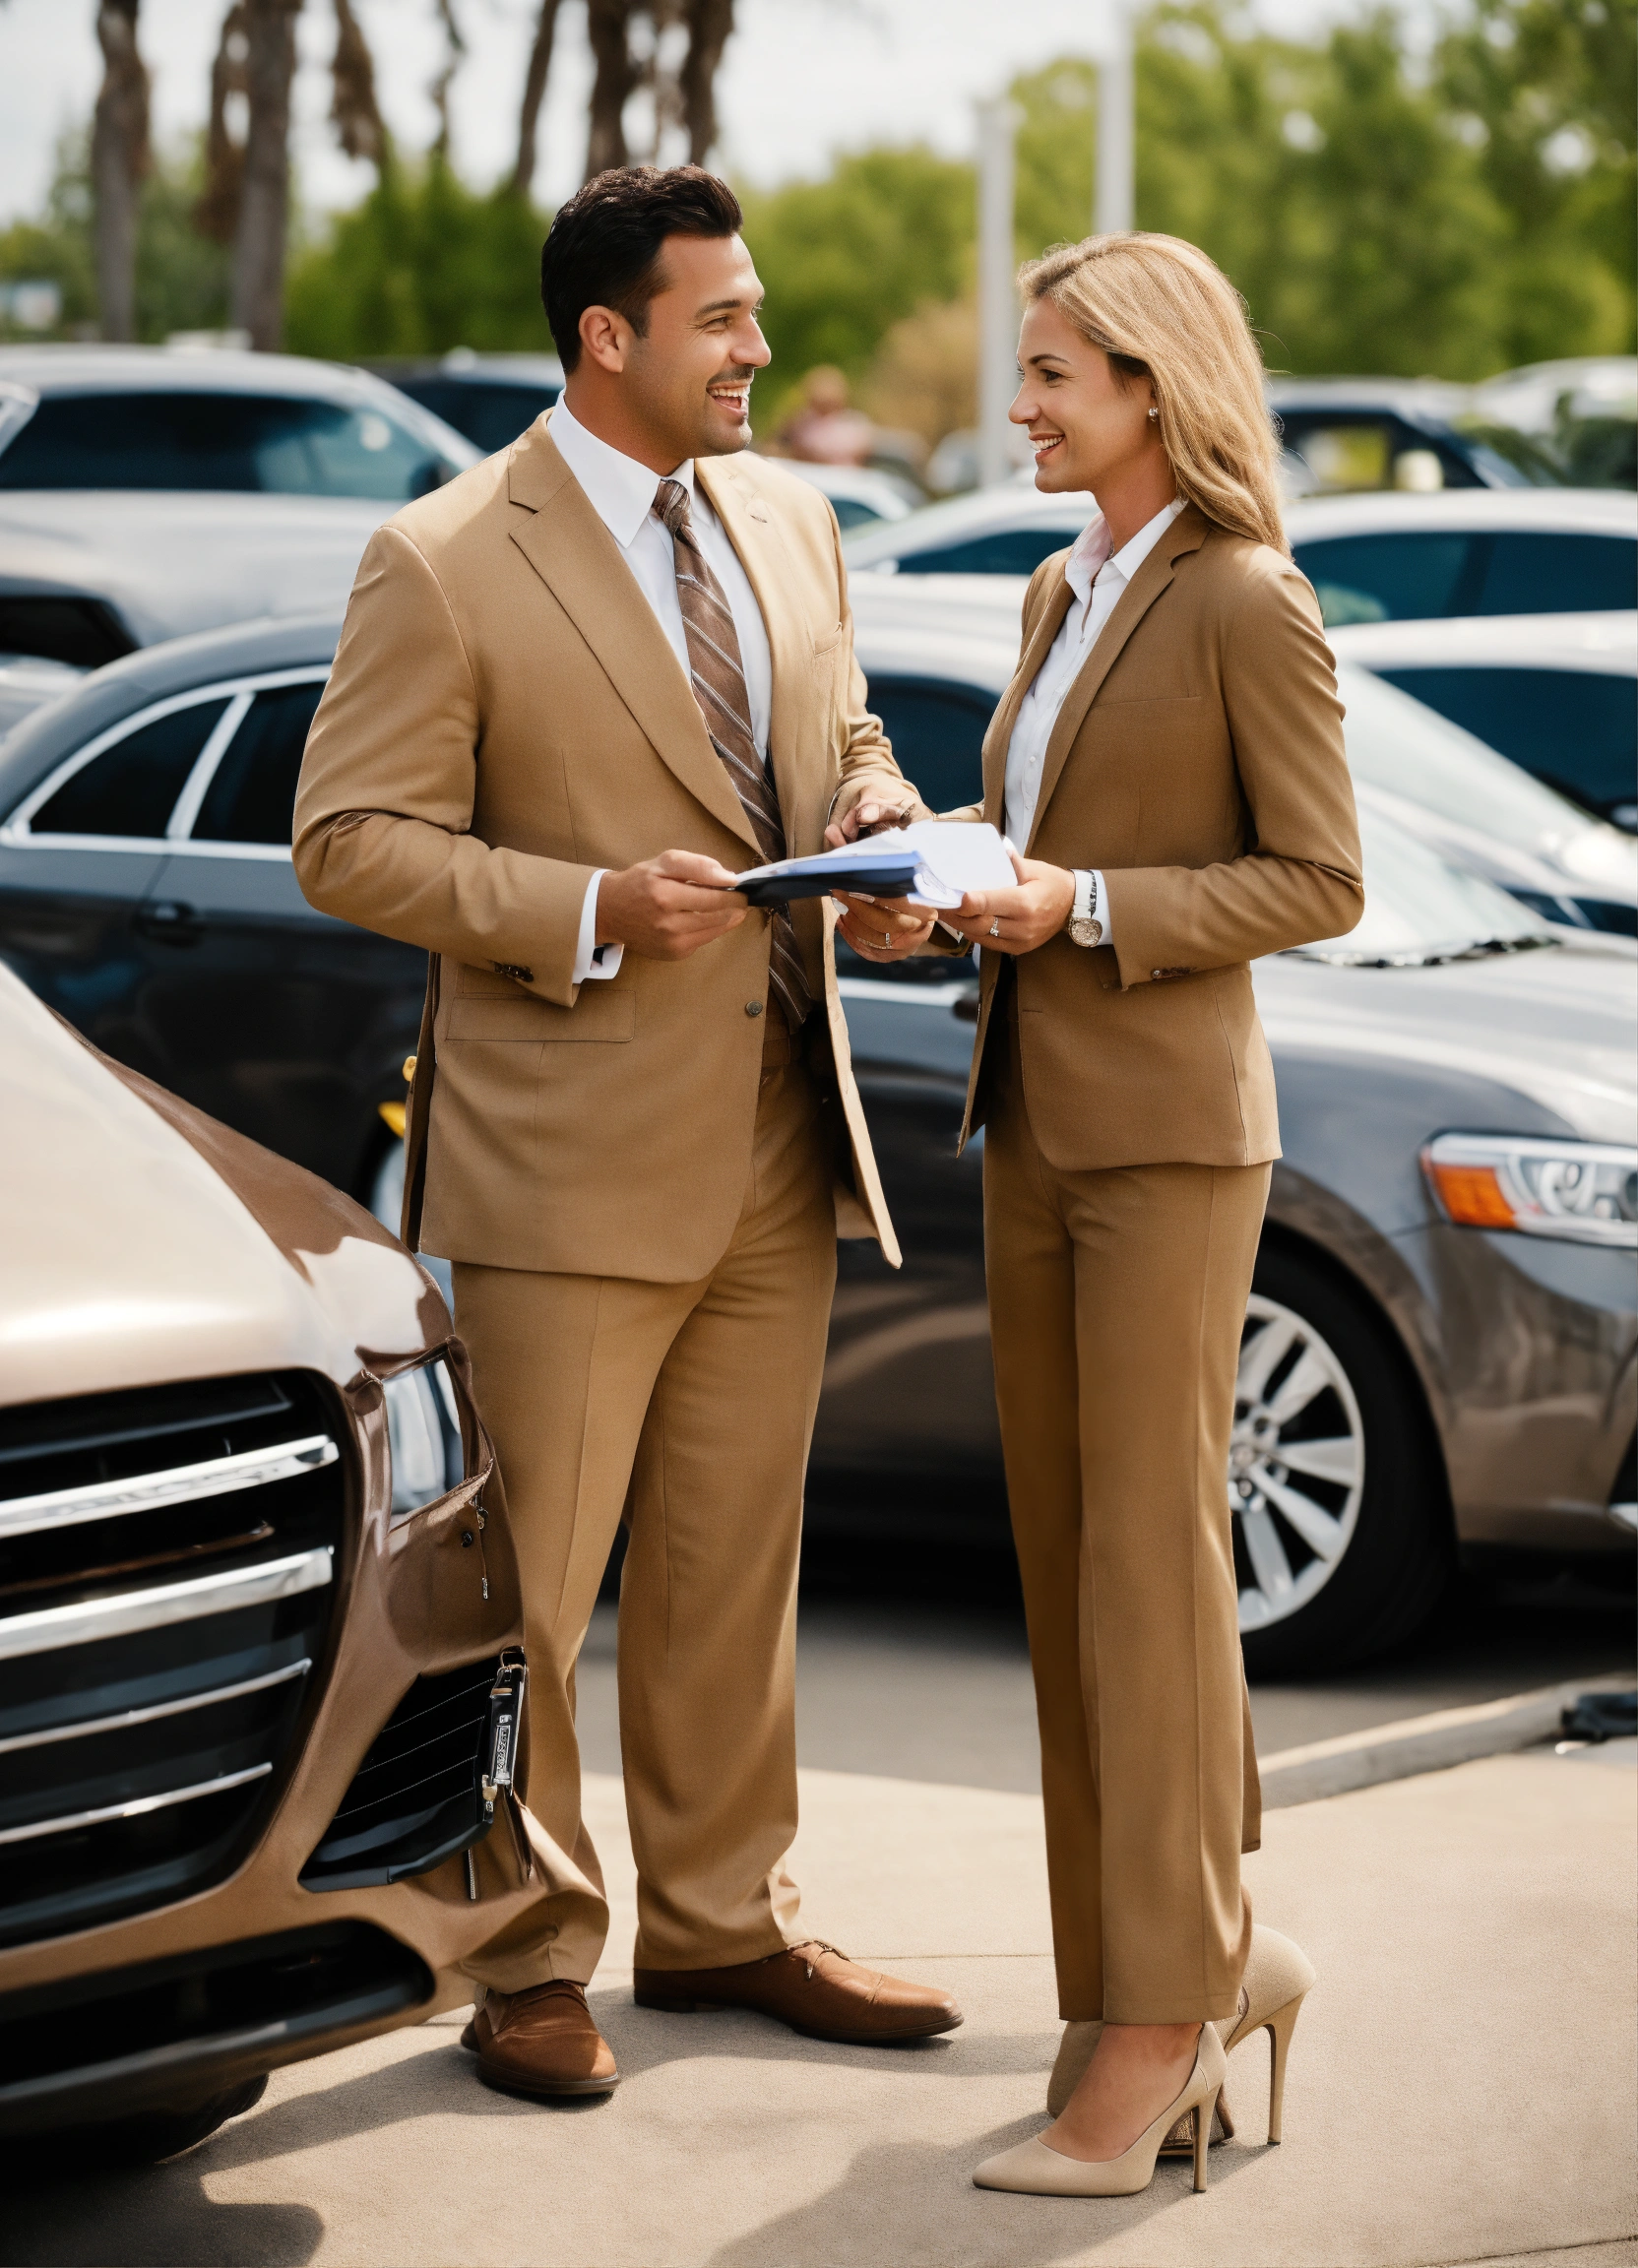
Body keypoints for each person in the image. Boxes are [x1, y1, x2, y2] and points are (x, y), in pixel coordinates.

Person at [292, 164, 952, 2103]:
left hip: (783, 1133)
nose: (759, 347)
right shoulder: (440, 558)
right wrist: (585, 907)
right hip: (564, 1161)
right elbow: (348, 841)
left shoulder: (794, 515)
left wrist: (883, 835)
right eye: (722, 317)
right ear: (608, 336)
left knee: (735, 1574)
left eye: (752, 311)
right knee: (535, 1598)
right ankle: (525, 1953)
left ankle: (728, 1920)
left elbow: (838, 738)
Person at [834, 232, 1362, 2196]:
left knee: (1147, 1565)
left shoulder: (1244, 596)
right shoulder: (1064, 586)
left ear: (1151, 385)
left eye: (1053, 371)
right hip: (1034, 1116)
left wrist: (1084, 909)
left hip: (1166, 1142)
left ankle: (1163, 2017)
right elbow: (1050, 850)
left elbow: (1317, 879)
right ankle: (1165, 1972)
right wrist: (941, 893)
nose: (1021, 405)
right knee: (1072, 1572)